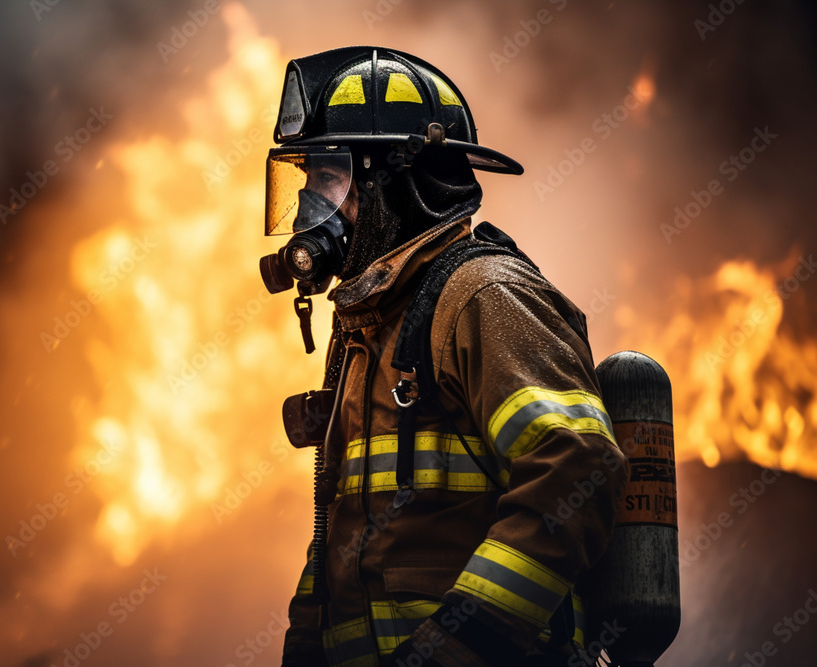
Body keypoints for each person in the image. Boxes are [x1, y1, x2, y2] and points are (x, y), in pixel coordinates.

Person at [262, 47, 629, 667]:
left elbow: (577, 470)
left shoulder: (483, 297)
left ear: (394, 182)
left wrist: (457, 646)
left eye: (327, 180)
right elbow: (337, 532)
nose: (306, 210)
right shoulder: (370, 331)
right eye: (305, 184)